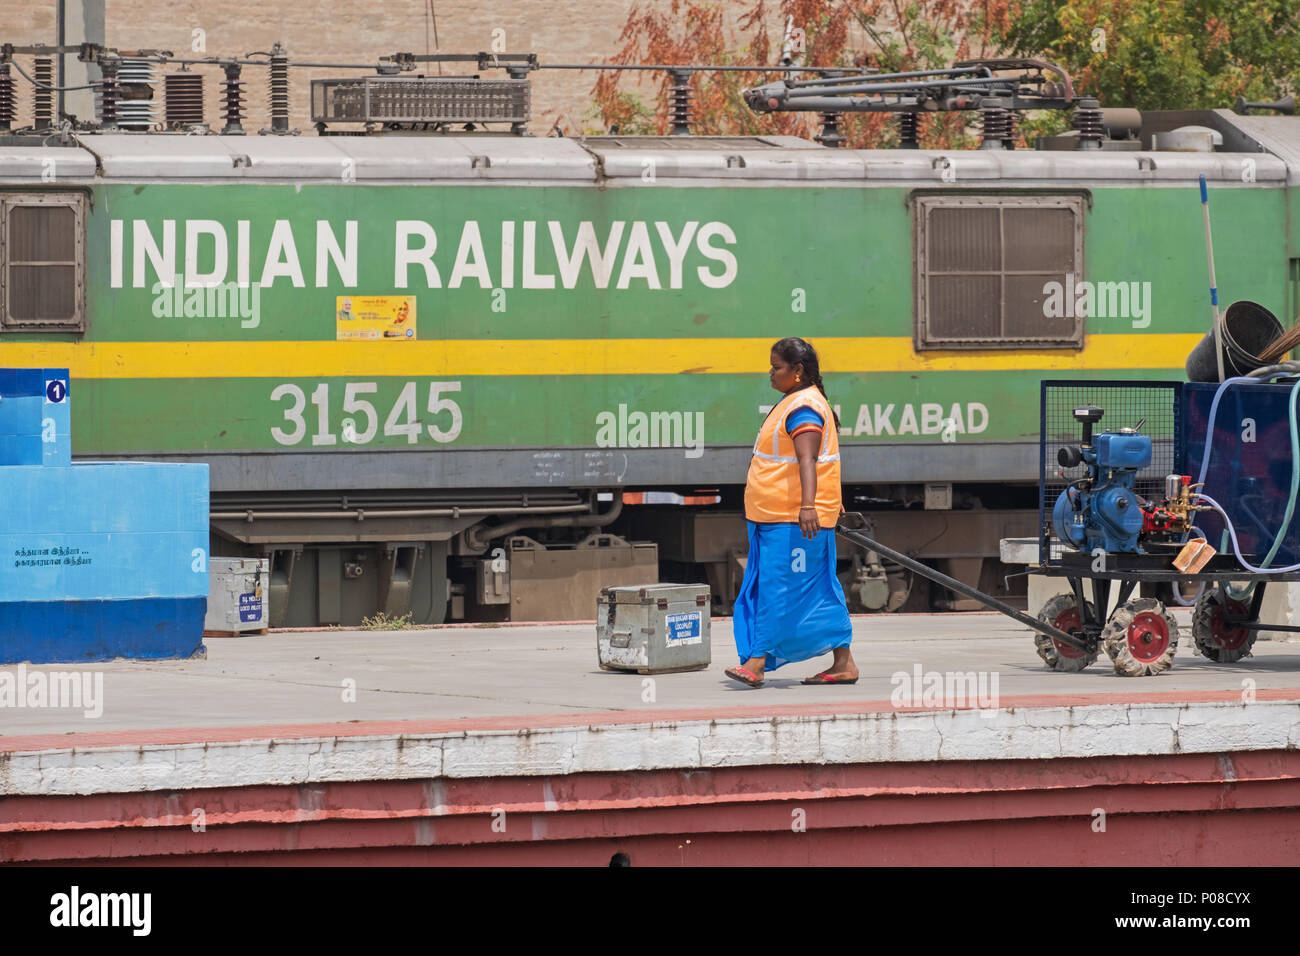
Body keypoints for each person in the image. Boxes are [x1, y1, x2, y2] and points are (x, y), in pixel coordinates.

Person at [725, 337, 858, 688]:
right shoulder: (799, 402)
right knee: (816, 589)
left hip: (791, 521)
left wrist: (810, 505)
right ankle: (844, 663)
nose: (770, 374)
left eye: (777, 367)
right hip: (780, 518)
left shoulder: (803, 408)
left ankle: (756, 663)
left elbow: (808, 460)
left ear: (797, 371)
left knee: (776, 589)